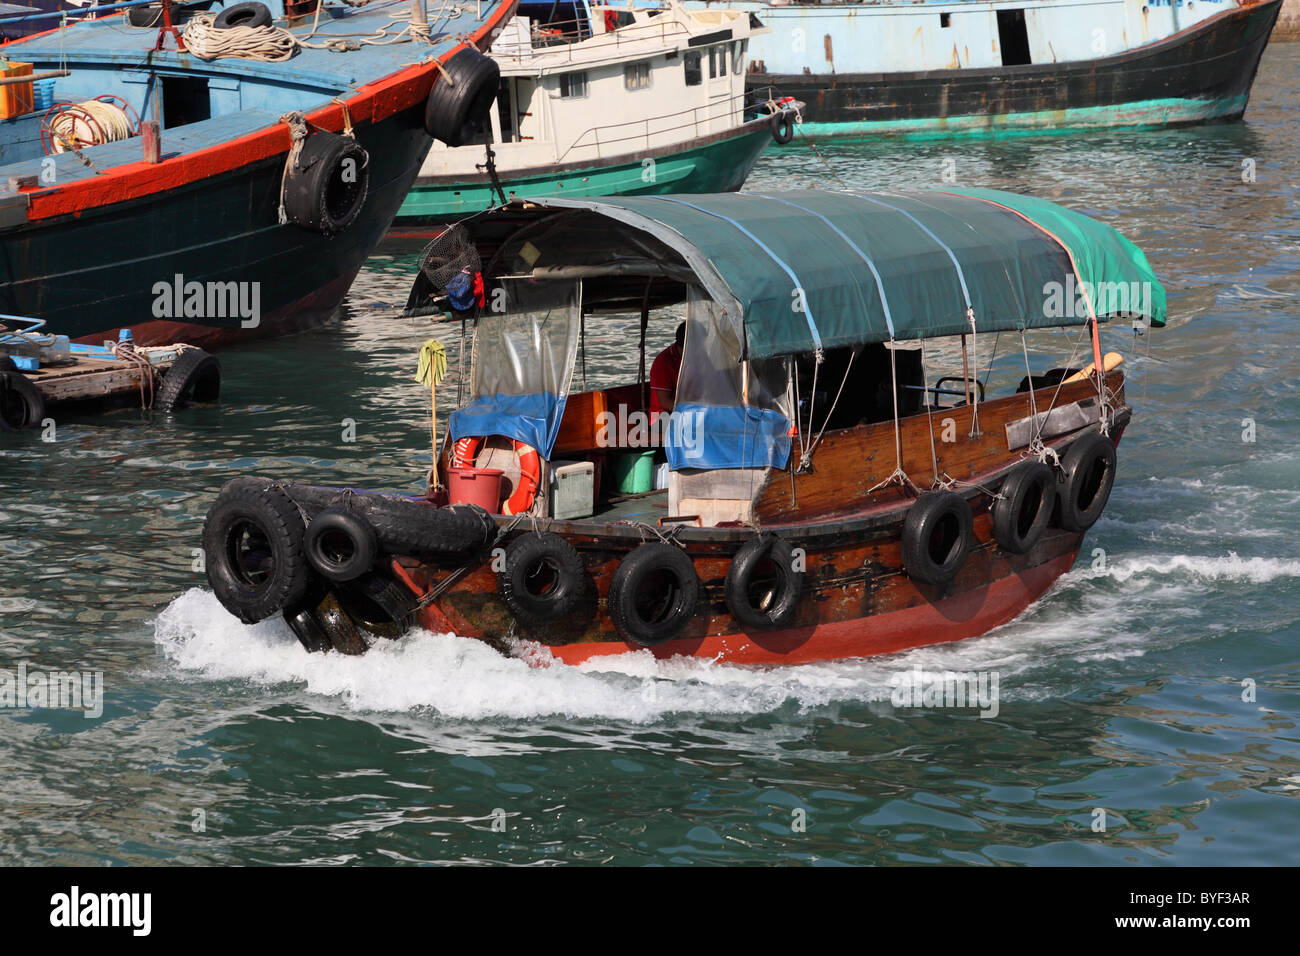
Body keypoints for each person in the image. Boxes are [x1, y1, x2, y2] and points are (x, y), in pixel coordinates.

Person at [649, 322, 685, 417]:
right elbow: (665, 402)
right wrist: (694, 411)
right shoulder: (663, 362)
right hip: (662, 416)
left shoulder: (699, 355)